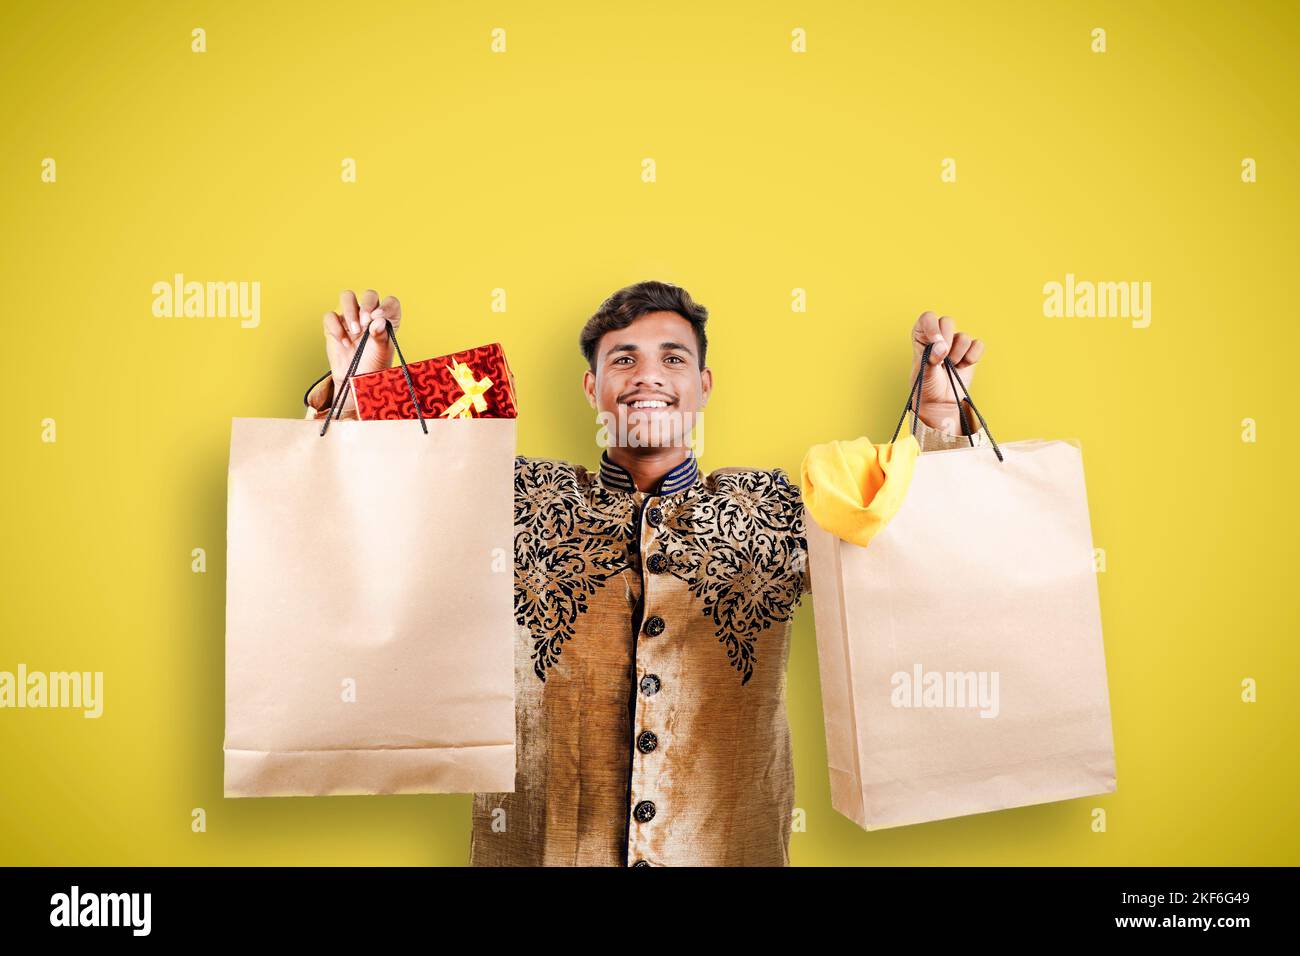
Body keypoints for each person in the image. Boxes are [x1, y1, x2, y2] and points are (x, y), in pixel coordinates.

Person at [302, 280, 989, 866]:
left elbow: (906, 561)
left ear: (703, 385)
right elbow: (388, 519)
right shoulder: (512, 499)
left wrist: (937, 420)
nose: (648, 375)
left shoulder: (779, 507)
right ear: (592, 386)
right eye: (623, 358)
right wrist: (367, 396)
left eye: (673, 358)